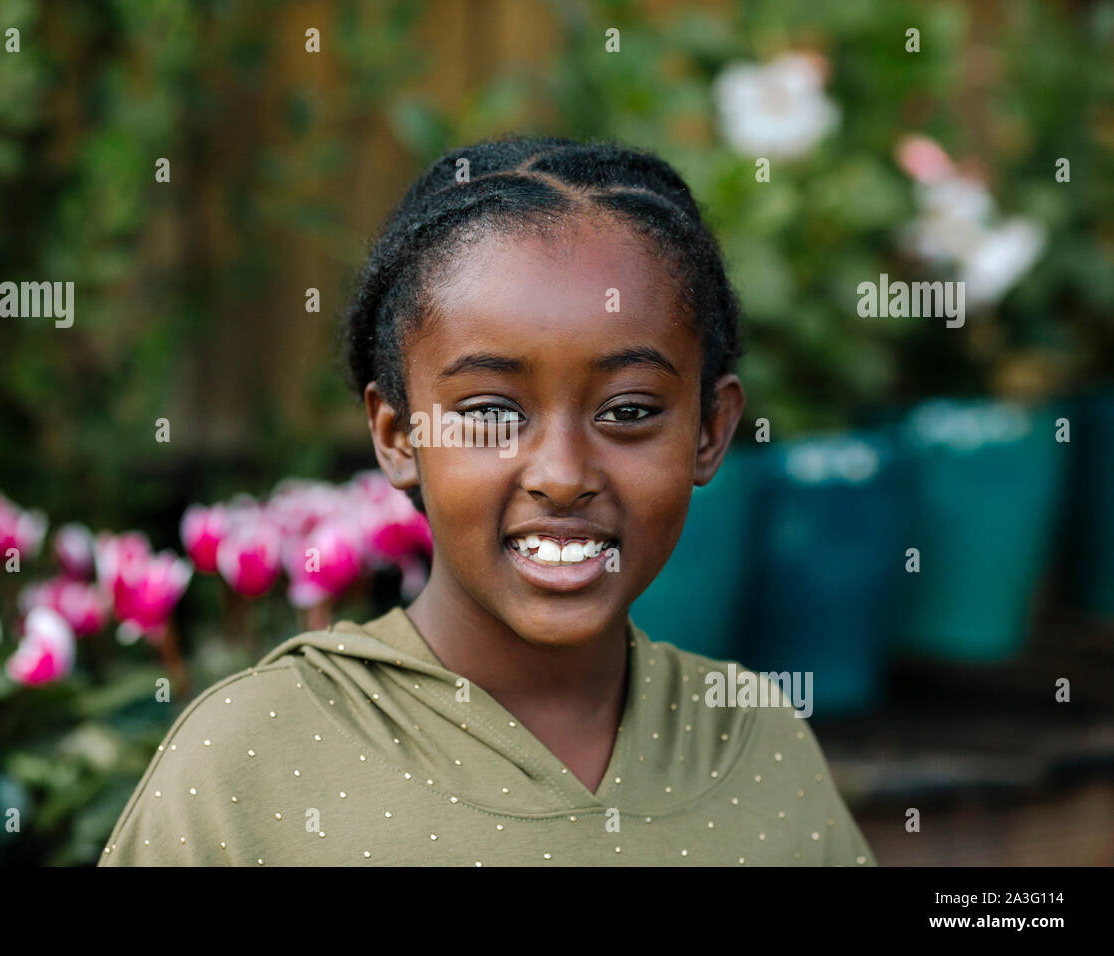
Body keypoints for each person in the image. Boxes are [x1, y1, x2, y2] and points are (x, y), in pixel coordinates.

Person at [99, 135, 876, 866]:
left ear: (709, 431)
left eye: (630, 411)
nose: (563, 474)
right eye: (491, 413)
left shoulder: (758, 745)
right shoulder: (250, 759)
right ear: (400, 435)